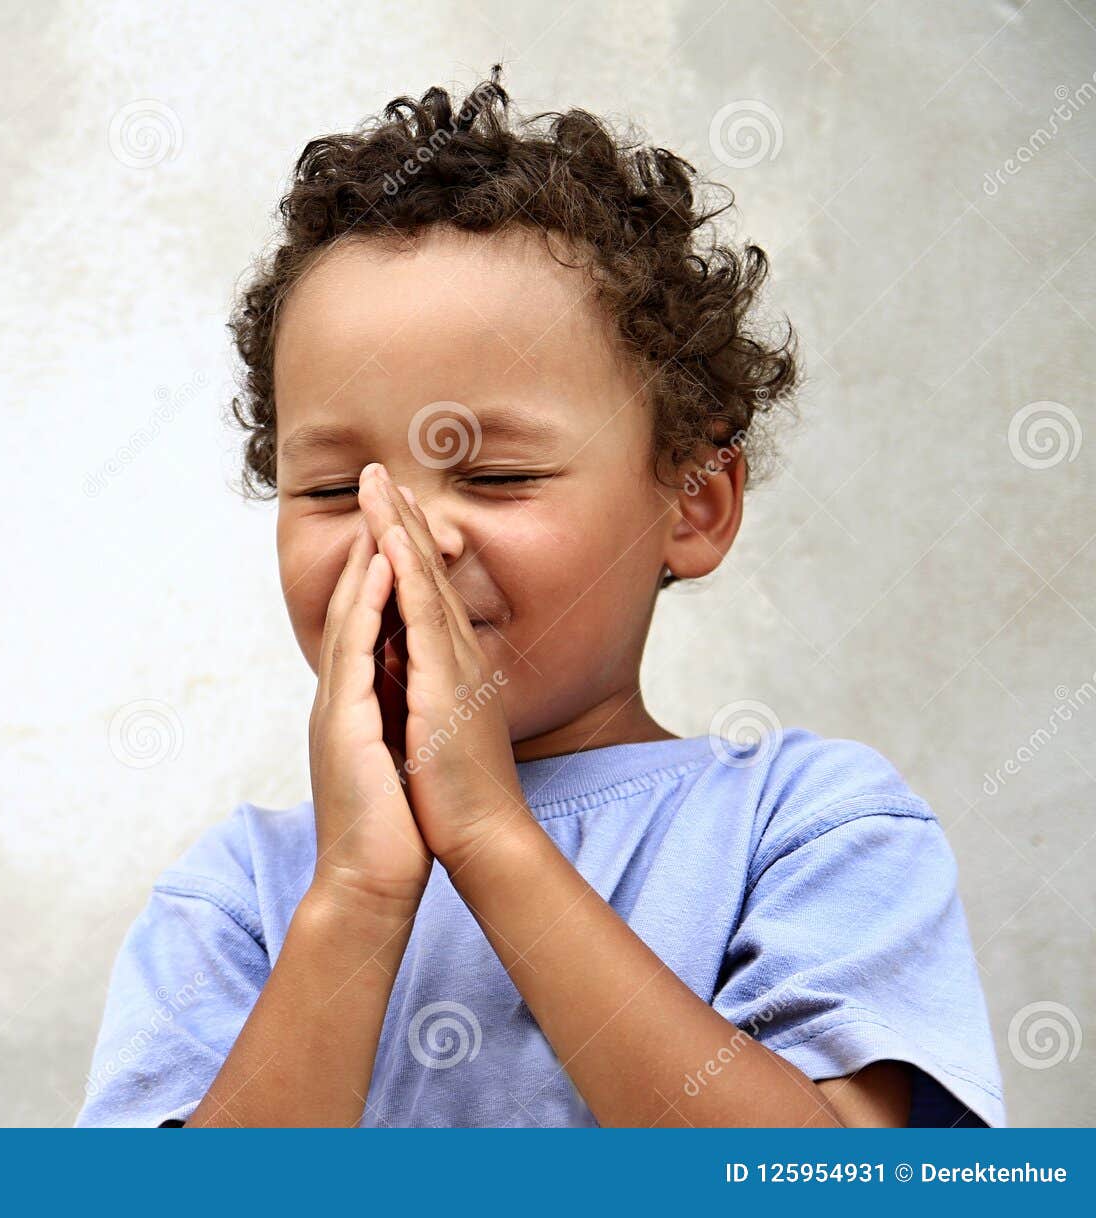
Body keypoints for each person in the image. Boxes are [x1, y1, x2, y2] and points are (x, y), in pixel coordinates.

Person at [75, 67, 1005, 1128]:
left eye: (495, 475)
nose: (405, 535)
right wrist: (356, 901)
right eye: (334, 490)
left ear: (693, 504)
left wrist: (491, 839)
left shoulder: (807, 827)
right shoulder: (239, 898)